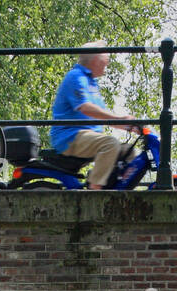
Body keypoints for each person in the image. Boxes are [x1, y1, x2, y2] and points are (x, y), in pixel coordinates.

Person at [51, 41, 140, 189]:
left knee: (129, 151)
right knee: (110, 144)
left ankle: (118, 191)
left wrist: (130, 126)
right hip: (70, 136)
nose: (107, 63)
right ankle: (95, 190)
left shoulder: (91, 82)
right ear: (95, 60)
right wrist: (119, 119)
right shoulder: (76, 77)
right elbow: (85, 108)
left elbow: (102, 116)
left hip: (87, 135)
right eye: (105, 60)